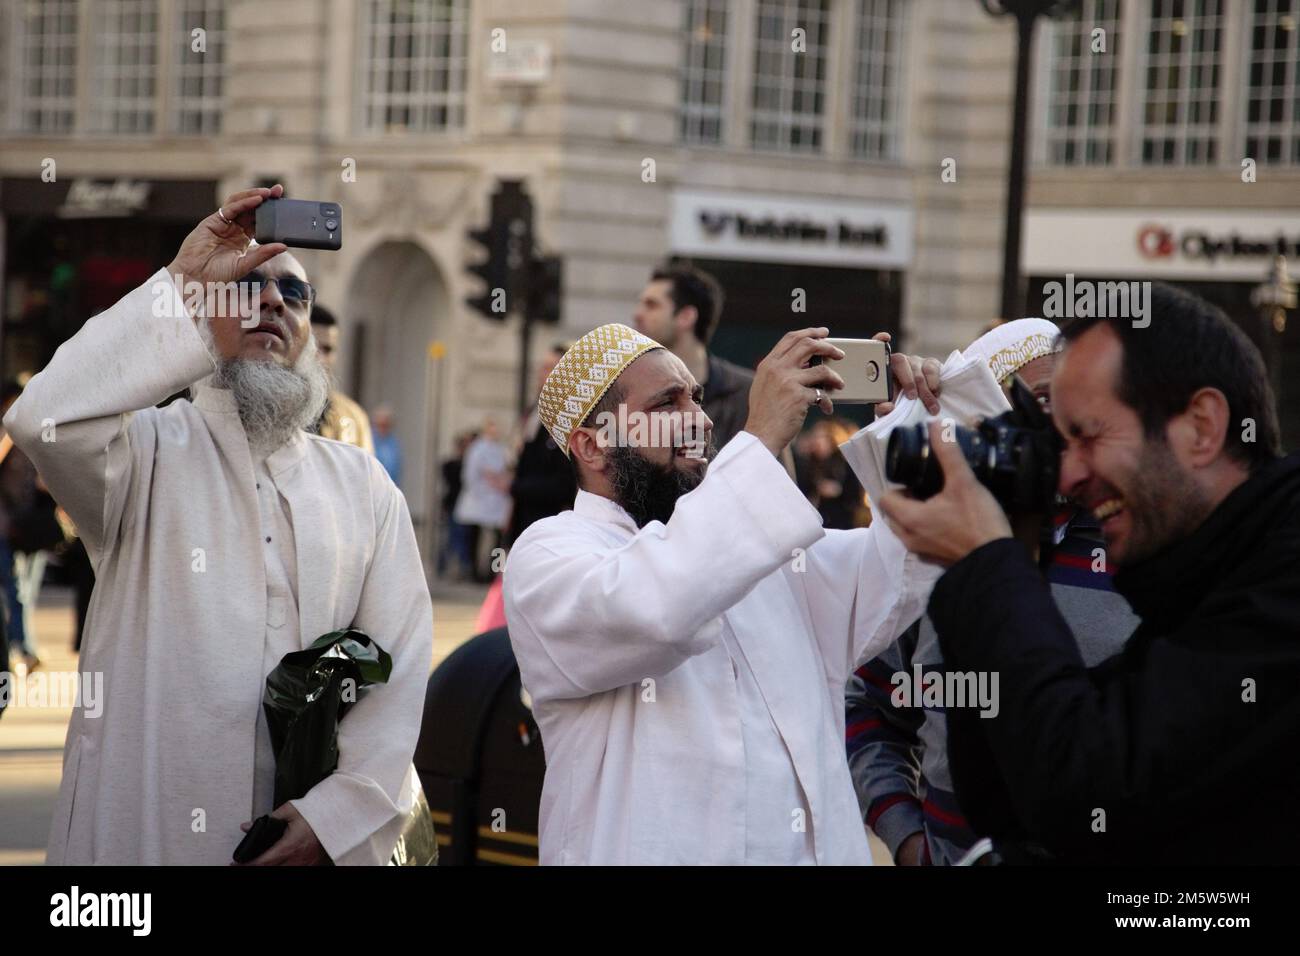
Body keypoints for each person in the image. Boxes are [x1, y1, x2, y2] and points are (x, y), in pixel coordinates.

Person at [5, 185, 433, 865]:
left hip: (306, 838)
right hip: (151, 833)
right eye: (248, 286)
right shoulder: (141, 454)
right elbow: (40, 420)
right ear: (204, 316)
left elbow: (398, 666)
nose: (272, 304)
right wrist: (180, 282)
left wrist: (333, 817)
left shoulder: (360, 484)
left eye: (294, 295)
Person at [878, 283, 1300, 864]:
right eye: (1054, 438)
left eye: (1088, 435)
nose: (1067, 473)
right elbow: (1009, 805)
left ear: (1201, 427)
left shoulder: (1277, 582)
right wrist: (1018, 552)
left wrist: (990, 565)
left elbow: (1088, 789)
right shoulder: (1204, 579)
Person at [503, 322, 945, 865]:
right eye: (668, 403)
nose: (701, 420)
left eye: (697, 397)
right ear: (593, 446)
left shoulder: (761, 547)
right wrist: (760, 437)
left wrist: (914, 432)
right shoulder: (550, 556)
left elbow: (903, 569)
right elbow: (660, 608)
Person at [846, 319, 1138, 865]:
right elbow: (869, 708)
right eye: (1040, 403)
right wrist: (909, 839)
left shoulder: (1136, 545)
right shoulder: (931, 553)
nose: (1064, 426)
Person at [632, 263, 755, 452]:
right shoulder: (631, 391)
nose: (638, 315)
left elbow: (773, 473)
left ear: (686, 316)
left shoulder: (748, 395)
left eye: (652, 305)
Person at [507, 343, 576, 546]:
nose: (542, 374)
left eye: (549, 368)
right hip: (522, 522)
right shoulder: (534, 411)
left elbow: (564, 484)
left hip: (548, 528)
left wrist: (514, 487)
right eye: (542, 367)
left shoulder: (568, 419)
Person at [310, 304, 374, 453]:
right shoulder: (272, 412)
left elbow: (365, 473)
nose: (320, 358)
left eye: (327, 349)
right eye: (312, 346)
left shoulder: (353, 416)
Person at [453, 418, 511, 583]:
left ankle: (492, 571)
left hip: (496, 500)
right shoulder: (477, 449)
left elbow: (505, 469)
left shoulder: (500, 449)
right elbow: (470, 475)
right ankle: (474, 571)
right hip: (479, 500)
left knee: (496, 539)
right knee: (475, 538)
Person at [371, 404, 402, 484]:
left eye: (385, 426)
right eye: (379, 425)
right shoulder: (370, 440)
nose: (382, 429)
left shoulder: (393, 444)